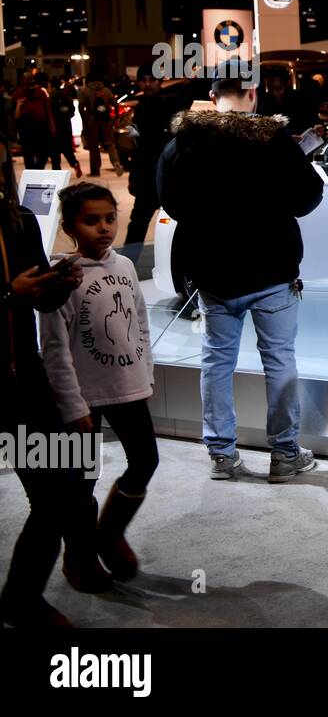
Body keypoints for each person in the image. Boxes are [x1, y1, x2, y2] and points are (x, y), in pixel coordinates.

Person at [157, 75, 324, 481]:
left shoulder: (182, 145)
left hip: (213, 274)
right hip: (272, 269)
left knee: (216, 362)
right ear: (253, 94)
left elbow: (171, 203)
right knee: (280, 361)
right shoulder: (274, 141)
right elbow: (308, 196)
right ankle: (284, 455)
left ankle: (222, 456)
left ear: (212, 98)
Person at [40, 183, 157, 584]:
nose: (104, 228)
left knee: (146, 460)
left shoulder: (124, 266)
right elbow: (55, 349)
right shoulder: (61, 278)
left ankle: (108, 536)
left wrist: (146, 374)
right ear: (70, 226)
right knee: (78, 482)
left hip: (127, 387)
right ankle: (79, 559)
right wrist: (73, 406)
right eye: (91, 221)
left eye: (109, 218)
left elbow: (140, 323)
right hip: (83, 399)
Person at [0, 131, 86, 627]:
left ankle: (22, 596)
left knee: (65, 489)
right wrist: (9, 295)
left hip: (25, 380)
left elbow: (34, 298)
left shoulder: (20, 221)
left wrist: (57, 287)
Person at [123, 72, 181, 251]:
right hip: (146, 176)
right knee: (138, 224)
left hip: (169, 176)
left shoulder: (171, 104)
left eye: (152, 80)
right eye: (143, 80)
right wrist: (133, 176)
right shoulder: (139, 108)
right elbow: (139, 150)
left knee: (175, 226)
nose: (147, 84)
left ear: (159, 82)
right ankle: (128, 268)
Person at [80, 75, 123, 177]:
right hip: (106, 121)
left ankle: (95, 170)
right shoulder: (106, 90)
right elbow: (116, 104)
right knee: (110, 144)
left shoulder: (85, 91)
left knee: (94, 147)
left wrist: (84, 121)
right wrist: (115, 118)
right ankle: (116, 163)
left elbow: (80, 107)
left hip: (92, 122)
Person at [13, 73, 56, 171]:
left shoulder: (40, 92)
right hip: (26, 126)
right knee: (28, 154)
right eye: (26, 79)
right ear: (22, 80)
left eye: (30, 79)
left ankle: (37, 170)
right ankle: (32, 172)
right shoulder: (18, 93)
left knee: (44, 152)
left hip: (40, 125)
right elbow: (14, 115)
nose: (29, 81)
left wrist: (52, 125)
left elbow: (47, 110)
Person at [48, 76, 82, 177]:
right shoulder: (66, 97)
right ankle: (74, 163)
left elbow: (48, 113)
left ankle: (57, 173)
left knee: (55, 153)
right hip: (66, 126)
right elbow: (72, 112)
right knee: (67, 150)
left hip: (54, 128)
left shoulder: (50, 98)